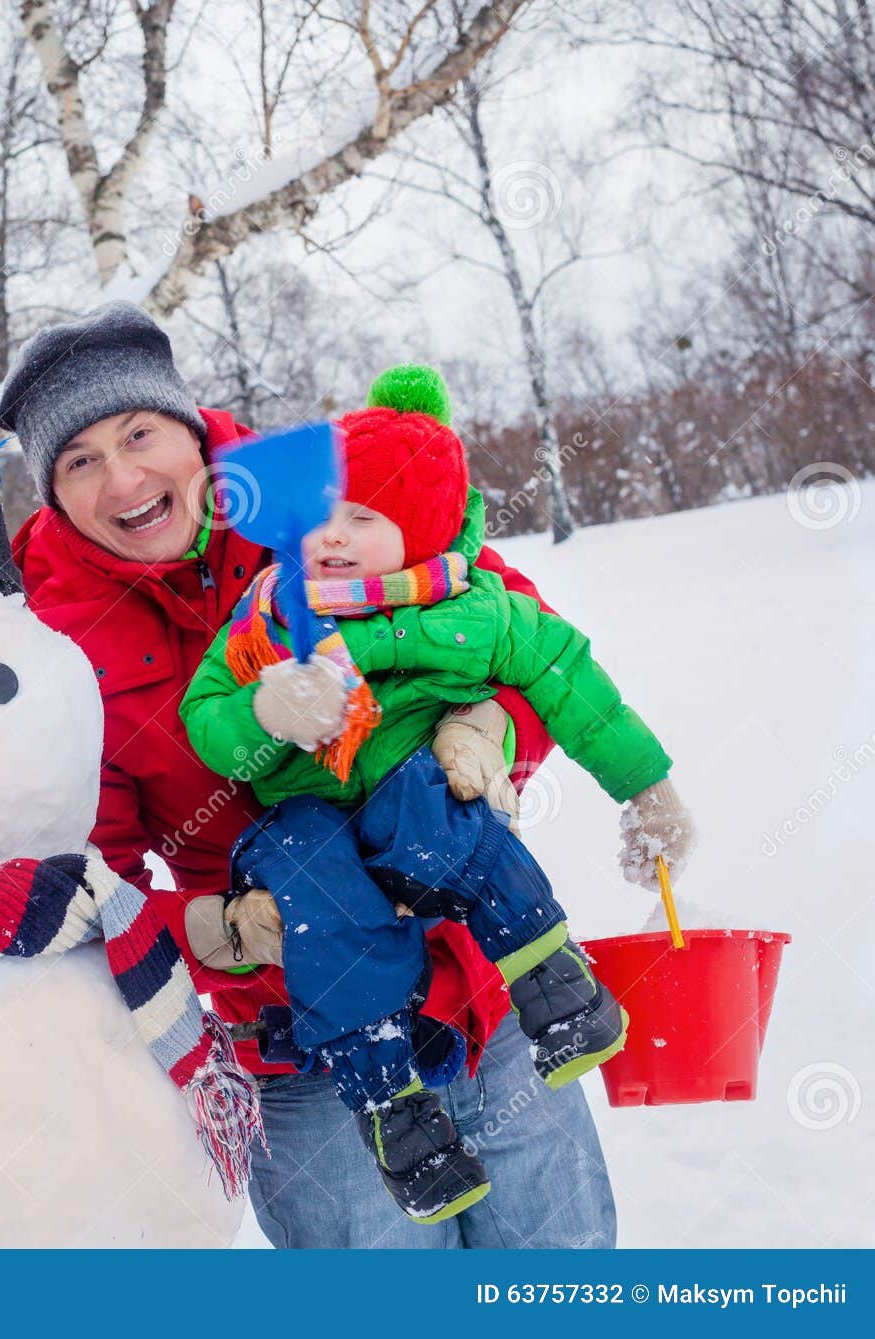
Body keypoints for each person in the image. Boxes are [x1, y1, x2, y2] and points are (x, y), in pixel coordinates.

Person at [4, 301, 618, 1248]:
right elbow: (88, 879)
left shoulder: (323, 491)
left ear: (191, 426)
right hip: (300, 1038)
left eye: (138, 433)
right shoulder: (42, 631)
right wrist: (219, 931)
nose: (122, 478)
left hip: (475, 970)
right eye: (79, 460)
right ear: (51, 490)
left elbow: (519, 635)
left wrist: (493, 727)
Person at [179, 364, 696, 1224]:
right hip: (311, 817)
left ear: (417, 528)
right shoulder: (269, 616)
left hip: (419, 815)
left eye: (364, 517)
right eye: (323, 516)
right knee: (308, 882)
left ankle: (551, 977)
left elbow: (570, 680)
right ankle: (390, 1100)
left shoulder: (474, 607)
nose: (331, 539)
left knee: (432, 800)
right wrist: (263, 707)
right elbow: (208, 716)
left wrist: (646, 787)